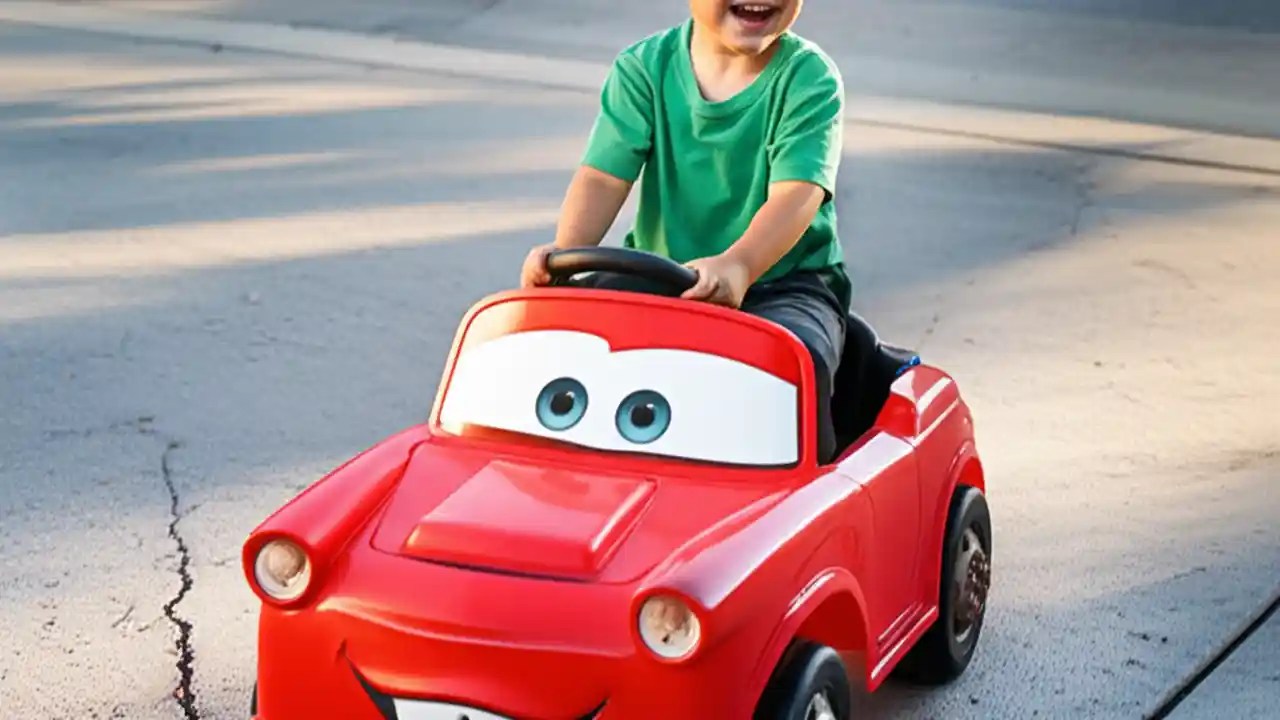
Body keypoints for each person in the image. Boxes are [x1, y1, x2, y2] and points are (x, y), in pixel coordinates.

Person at [520, 0, 850, 462]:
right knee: (570, 338)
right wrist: (568, 251)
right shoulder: (644, 68)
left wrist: (740, 264)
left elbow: (796, 194)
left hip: (782, 281)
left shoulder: (807, 78)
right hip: (663, 272)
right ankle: (564, 471)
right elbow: (602, 176)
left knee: (796, 364)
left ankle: (808, 496)